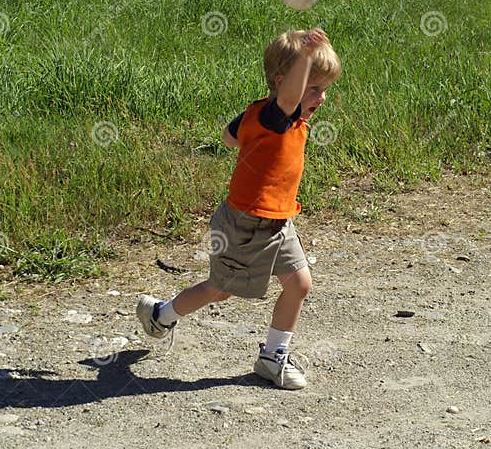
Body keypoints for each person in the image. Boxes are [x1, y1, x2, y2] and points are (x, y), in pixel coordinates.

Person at [136, 27, 341, 389]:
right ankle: (160, 315)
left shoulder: (265, 115)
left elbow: (230, 137)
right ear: (283, 83)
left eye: (325, 89)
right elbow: (278, 106)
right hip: (245, 225)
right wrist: (306, 55)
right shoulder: (276, 115)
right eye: (313, 88)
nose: (321, 98)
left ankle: (272, 357)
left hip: (279, 223)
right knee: (221, 290)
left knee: (299, 283)